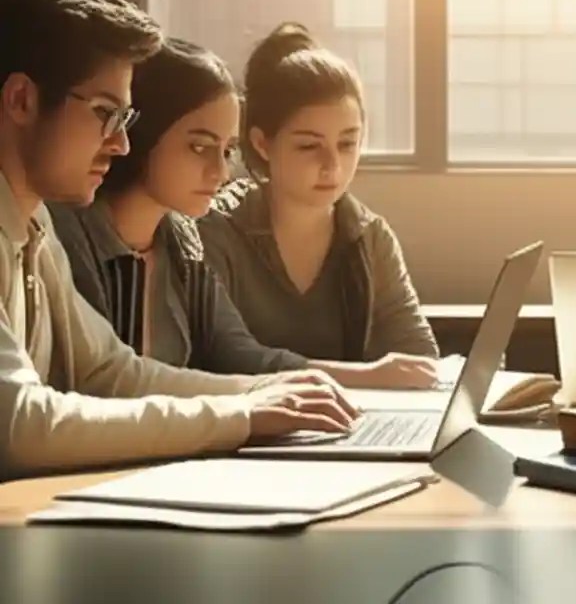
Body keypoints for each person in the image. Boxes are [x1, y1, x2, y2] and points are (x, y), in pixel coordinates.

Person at [0, 0, 355, 478]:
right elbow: (20, 427)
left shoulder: (34, 225)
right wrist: (237, 416)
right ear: (21, 100)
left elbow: (107, 370)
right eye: (104, 112)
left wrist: (260, 393)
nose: (121, 143)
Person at [50, 39, 430, 388]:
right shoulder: (69, 234)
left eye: (227, 150)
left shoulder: (182, 239)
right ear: (145, 132)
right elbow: (111, 382)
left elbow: (239, 353)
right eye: (199, 147)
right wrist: (250, 409)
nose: (220, 172)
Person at [199, 23, 440, 374]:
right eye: (309, 146)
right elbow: (231, 356)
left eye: (347, 143)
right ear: (263, 143)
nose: (333, 165)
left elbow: (417, 352)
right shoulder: (217, 230)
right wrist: (366, 378)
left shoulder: (370, 236)